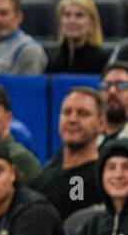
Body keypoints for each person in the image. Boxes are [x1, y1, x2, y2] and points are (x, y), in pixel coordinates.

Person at [31, 88, 107, 220]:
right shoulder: (48, 170)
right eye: (67, 112)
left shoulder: (96, 178)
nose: (72, 119)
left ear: (101, 123)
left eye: (82, 114)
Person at [48, 0, 112, 75]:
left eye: (79, 15)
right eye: (67, 15)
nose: (72, 20)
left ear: (92, 23)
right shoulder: (54, 61)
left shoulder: (103, 61)